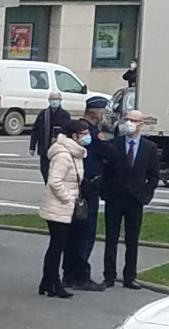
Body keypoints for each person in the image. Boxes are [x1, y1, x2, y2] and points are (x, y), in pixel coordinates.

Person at [103, 109, 160, 289]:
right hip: (115, 197)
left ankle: (130, 276)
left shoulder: (149, 147)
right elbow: (106, 172)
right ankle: (109, 275)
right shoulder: (114, 144)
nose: (129, 123)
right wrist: (105, 192)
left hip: (135, 199)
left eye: (133, 120)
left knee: (132, 239)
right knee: (111, 238)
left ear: (141, 124)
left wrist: (146, 195)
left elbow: (153, 176)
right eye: (127, 119)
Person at [62, 96, 111, 292]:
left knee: (74, 233)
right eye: (103, 111)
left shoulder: (83, 129)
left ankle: (69, 273)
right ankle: (80, 274)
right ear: (97, 112)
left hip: (83, 187)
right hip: (87, 188)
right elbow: (106, 151)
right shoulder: (87, 132)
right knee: (85, 232)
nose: (104, 115)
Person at [39, 120, 92, 299]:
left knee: (58, 244)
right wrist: (68, 198)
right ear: (74, 135)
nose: (87, 137)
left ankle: (48, 281)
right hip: (59, 206)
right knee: (57, 245)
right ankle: (53, 282)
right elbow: (54, 181)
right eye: (84, 133)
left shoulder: (75, 153)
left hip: (64, 207)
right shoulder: (63, 155)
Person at [30, 91, 71, 182]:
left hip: (58, 149)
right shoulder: (43, 114)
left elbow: (68, 132)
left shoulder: (65, 115)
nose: (54, 101)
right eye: (53, 99)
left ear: (60, 100)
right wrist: (32, 147)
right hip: (44, 148)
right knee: (44, 170)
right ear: (49, 100)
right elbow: (35, 130)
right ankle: (48, 185)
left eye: (56, 99)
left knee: (56, 172)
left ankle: (53, 189)